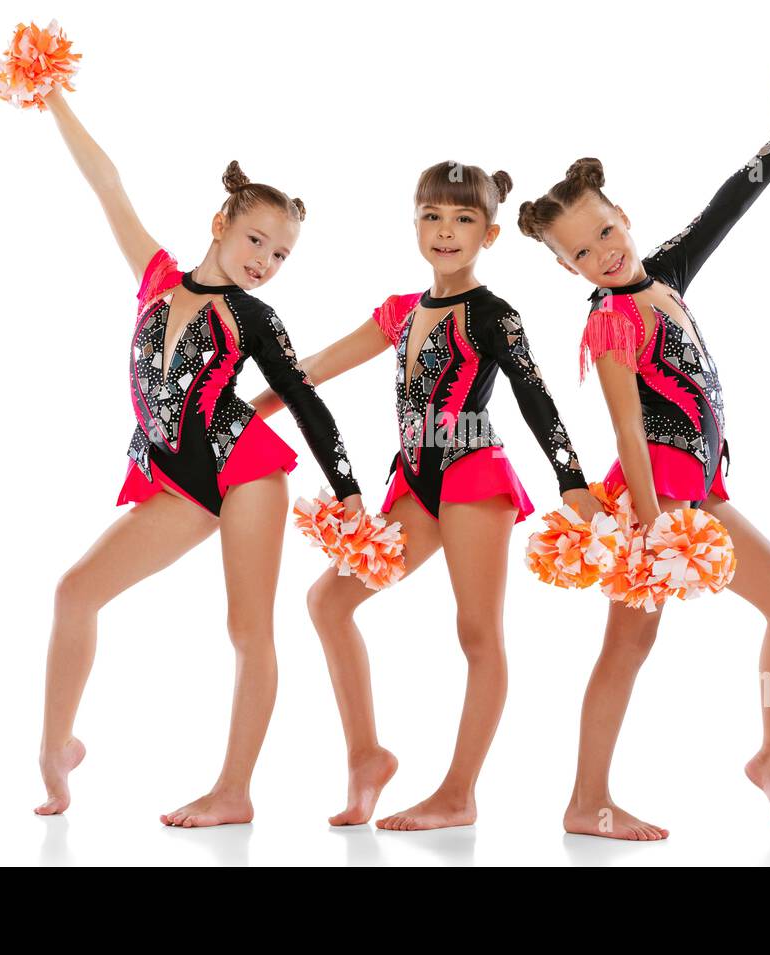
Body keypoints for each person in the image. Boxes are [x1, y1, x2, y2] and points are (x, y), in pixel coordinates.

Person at [30, 86, 364, 827]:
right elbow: (106, 180)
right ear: (221, 224)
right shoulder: (156, 277)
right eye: (256, 242)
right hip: (176, 478)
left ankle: (234, 789)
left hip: (244, 470)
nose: (267, 261)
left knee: (248, 629)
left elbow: (304, 398)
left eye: (281, 254)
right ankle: (55, 748)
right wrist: (55, 101)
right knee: (75, 591)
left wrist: (346, 488)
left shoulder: (254, 316)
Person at [250, 160, 600, 829]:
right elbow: (311, 370)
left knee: (476, 633)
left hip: (473, 473)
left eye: (464, 218)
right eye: (432, 216)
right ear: (414, 222)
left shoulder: (494, 314)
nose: (446, 231)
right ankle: (366, 756)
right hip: (414, 478)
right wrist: (240, 414)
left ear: (488, 235)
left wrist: (572, 480)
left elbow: (537, 399)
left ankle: (458, 792)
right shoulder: (401, 311)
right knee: (329, 599)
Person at [517, 104, 770, 839]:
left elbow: (729, 201)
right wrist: (653, 530)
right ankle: (587, 798)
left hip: (696, 494)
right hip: (659, 504)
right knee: (628, 644)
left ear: (623, 215)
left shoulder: (666, 272)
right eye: (582, 253)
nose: (603, 255)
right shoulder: (612, 316)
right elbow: (626, 426)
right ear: (565, 266)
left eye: (606, 233)